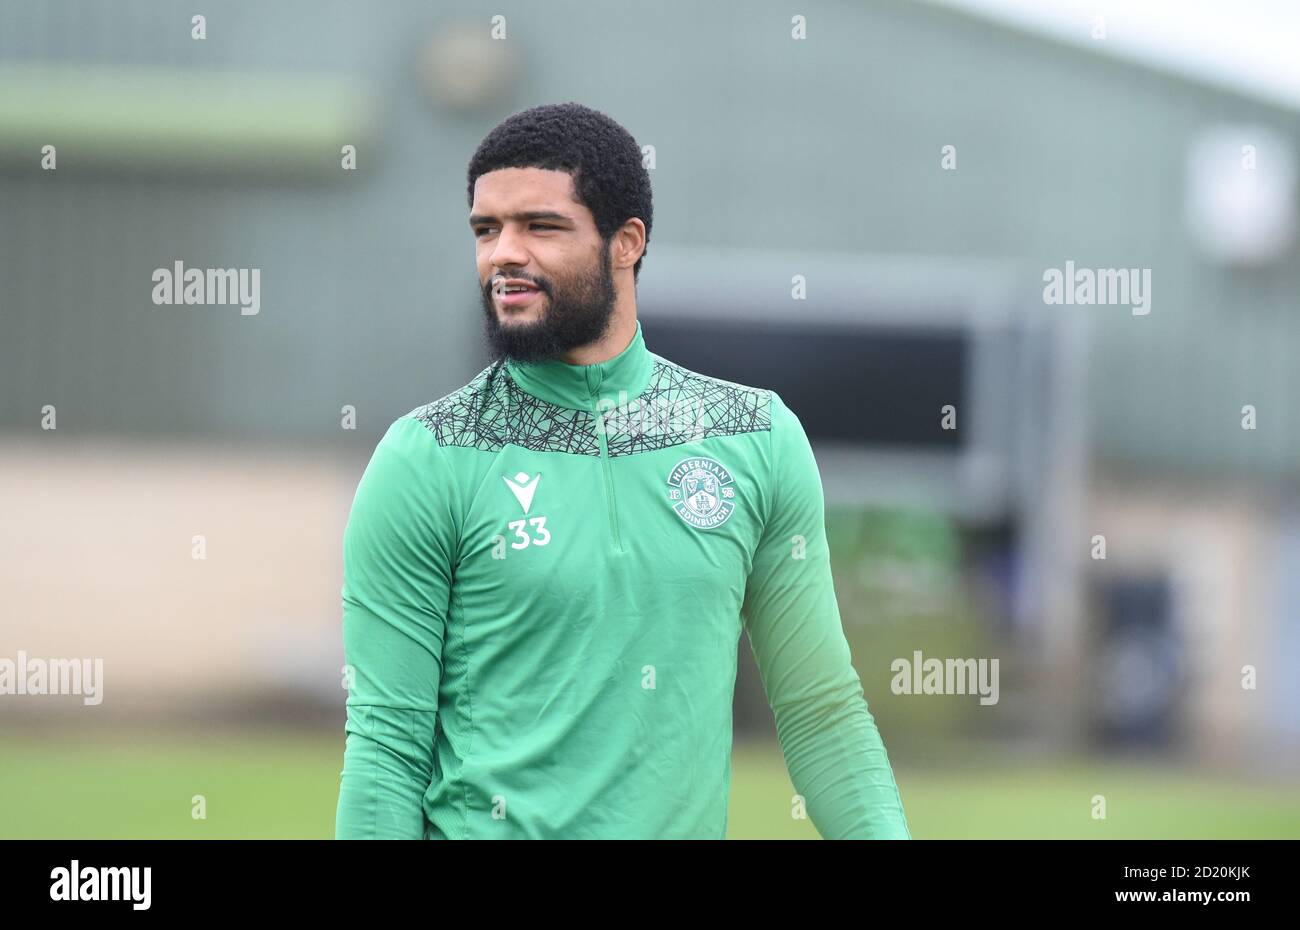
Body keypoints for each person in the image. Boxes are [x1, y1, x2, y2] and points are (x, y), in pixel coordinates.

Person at [334, 102, 910, 839]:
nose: (503, 254)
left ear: (625, 243)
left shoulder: (756, 438)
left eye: (540, 226)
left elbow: (821, 712)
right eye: (486, 230)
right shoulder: (427, 457)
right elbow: (386, 750)